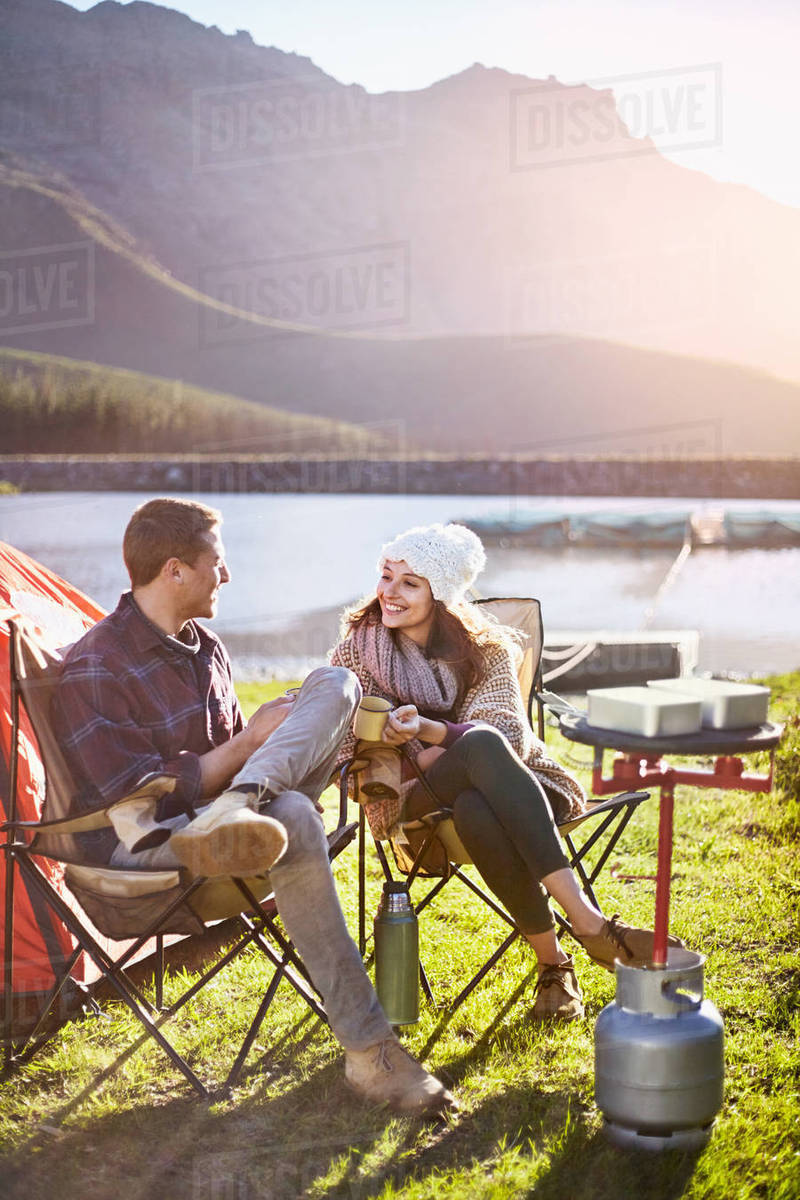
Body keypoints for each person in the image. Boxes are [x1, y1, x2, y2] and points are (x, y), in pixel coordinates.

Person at [51, 497, 454, 1117]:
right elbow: (133, 800)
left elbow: (254, 755)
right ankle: (371, 1052)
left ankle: (239, 808)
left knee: (337, 683)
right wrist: (251, 739)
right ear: (176, 569)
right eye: (219, 561)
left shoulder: (206, 646)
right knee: (291, 816)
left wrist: (266, 743)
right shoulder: (97, 664)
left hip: (229, 824)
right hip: (147, 853)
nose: (229, 574)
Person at [330, 522, 682, 1021]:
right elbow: (346, 749)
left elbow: (505, 735)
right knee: (477, 748)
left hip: (514, 787)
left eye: (410, 583)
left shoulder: (488, 648)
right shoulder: (357, 652)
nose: (390, 592)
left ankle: (555, 966)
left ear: (442, 594)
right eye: (387, 576)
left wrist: (429, 733)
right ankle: (587, 921)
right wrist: (405, 746)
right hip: (417, 802)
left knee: (477, 799)